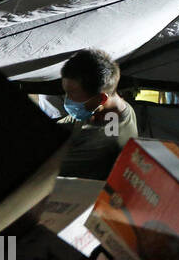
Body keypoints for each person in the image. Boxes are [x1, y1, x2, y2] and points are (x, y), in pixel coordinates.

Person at [57, 48, 138, 180]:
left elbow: (47, 168)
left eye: (72, 94)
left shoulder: (107, 141)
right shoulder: (102, 107)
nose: (67, 99)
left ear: (101, 99)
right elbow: (69, 124)